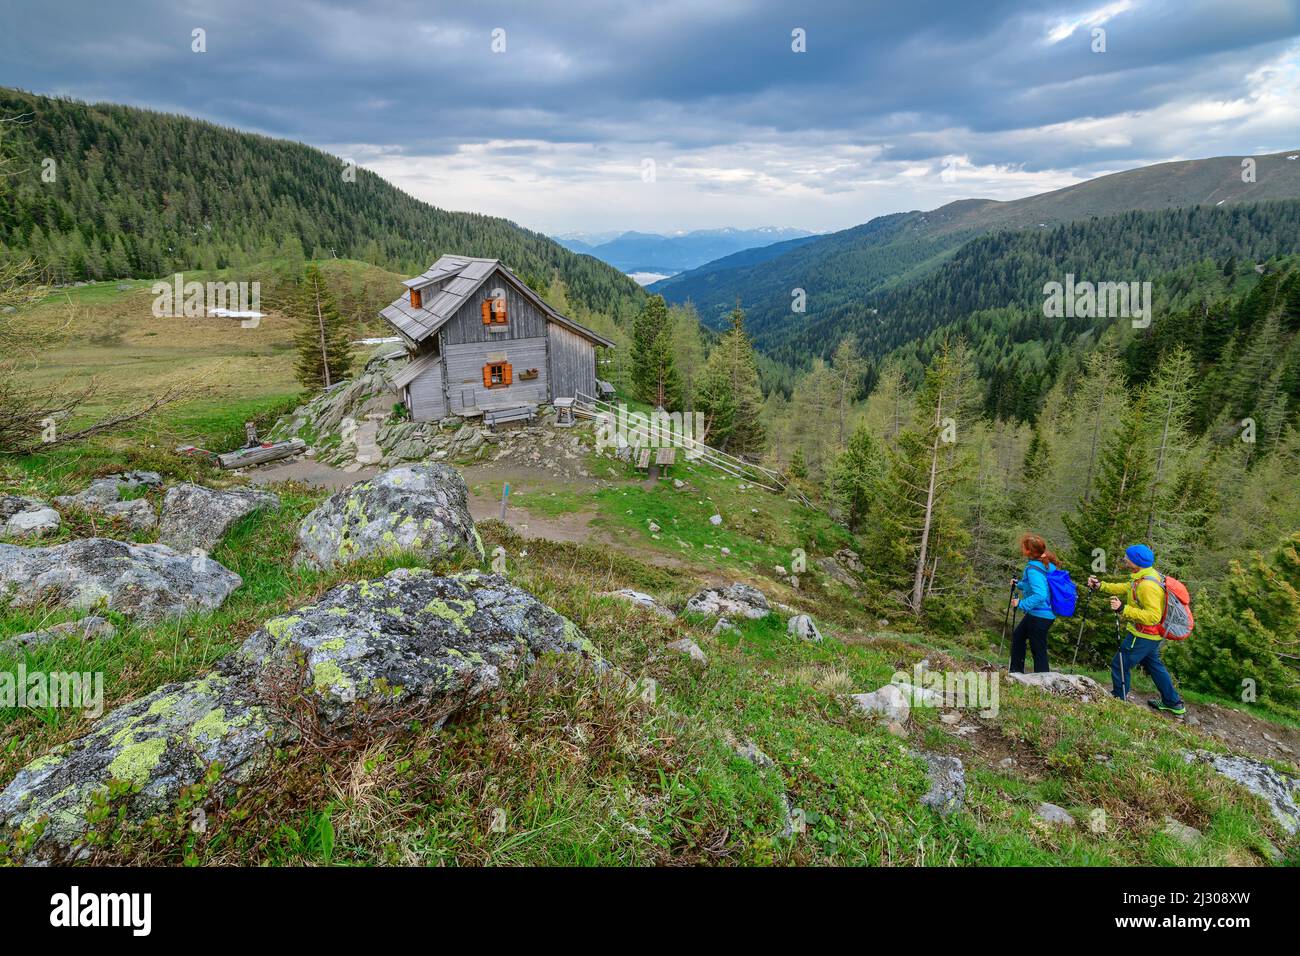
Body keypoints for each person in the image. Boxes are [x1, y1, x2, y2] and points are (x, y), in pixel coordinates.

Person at [1087, 543, 1186, 716]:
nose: (1125, 559)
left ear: (1137, 561)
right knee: (1155, 666)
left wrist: (1122, 609)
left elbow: (1153, 616)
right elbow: (1126, 587)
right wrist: (1101, 586)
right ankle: (1173, 703)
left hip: (1143, 635)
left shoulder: (1147, 586)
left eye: (1128, 558)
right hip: (1152, 636)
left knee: (1119, 663)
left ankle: (1118, 699)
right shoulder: (1144, 576)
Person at [1009, 533, 1058, 673]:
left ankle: (1042, 681)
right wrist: (1019, 585)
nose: (1021, 547)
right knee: (1019, 637)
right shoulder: (1045, 565)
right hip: (1042, 613)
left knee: (1038, 649)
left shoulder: (1033, 569)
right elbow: (1038, 586)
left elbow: (1040, 594)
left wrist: (1021, 603)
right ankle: (1016, 672)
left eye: (1023, 546)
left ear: (1029, 551)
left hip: (1040, 615)